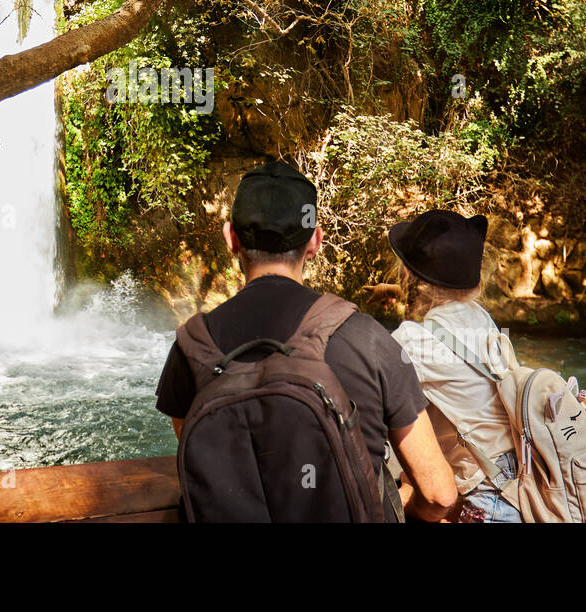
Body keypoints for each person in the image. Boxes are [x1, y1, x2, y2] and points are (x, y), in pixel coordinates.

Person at [155, 160, 458, 522]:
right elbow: (440, 495)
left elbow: (212, 467)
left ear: (230, 238)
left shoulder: (191, 348)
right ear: (315, 240)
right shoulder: (368, 339)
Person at [388, 209, 523, 523]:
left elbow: (373, 390)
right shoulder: (481, 318)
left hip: (489, 501)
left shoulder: (412, 339)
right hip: (520, 480)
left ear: (411, 276)